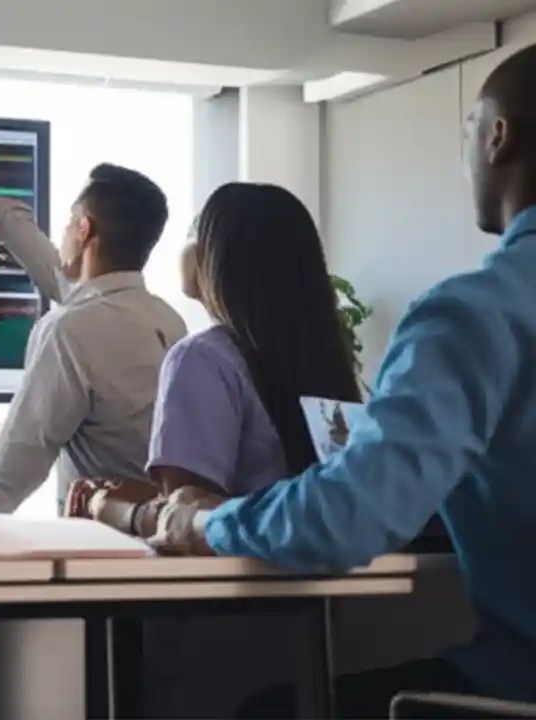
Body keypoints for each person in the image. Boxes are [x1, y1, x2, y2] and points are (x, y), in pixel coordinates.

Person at [146, 44, 536, 715]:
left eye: (467, 129)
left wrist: (207, 523)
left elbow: (351, 517)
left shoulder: (475, 315)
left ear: (497, 135)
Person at [66, 183, 361, 536]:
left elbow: (185, 517)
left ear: (221, 255)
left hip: (236, 585)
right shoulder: (325, 361)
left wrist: (107, 508)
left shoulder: (202, 359)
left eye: (195, 231)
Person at [0, 155, 186, 513]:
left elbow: (19, 462)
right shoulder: (167, 320)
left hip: (99, 550)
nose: (65, 232)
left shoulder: (71, 330)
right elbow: (60, 278)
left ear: (84, 229)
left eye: (70, 222)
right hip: (159, 539)